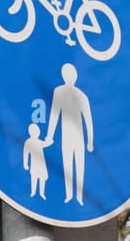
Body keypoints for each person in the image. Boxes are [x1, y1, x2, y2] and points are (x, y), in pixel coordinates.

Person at [43, 63, 93, 205]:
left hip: (78, 137)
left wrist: (90, 141)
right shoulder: (60, 92)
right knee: (68, 166)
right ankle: (70, 195)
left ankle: (78, 196)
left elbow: (87, 119)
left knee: (77, 166)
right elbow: (54, 114)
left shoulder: (81, 95)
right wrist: (50, 136)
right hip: (67, 136)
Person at [23, 122, 48, 198]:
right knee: (34, 178)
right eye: (34, 131)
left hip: (41, 164)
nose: (37, 132)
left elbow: (45, 144)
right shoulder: (28, 142)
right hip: (34, 164)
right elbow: (25, 154)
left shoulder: (39, 141)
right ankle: (33, 192)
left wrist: (50, 141)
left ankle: (42, 193)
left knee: (42, 179)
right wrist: (25, 164)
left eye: (37, 131)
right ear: (30, 132)